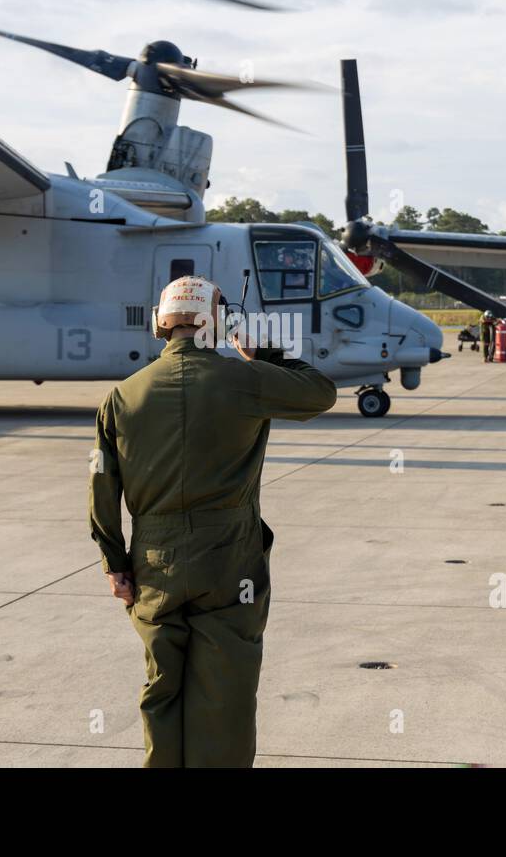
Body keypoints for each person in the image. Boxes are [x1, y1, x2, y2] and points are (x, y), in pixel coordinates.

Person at [89, 274, 337, 767]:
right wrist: (262, 353)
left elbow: (101, 486)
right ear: (217, 323)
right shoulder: (244, 380)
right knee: (226, 693)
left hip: (154, 565)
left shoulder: (121, 397)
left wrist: (114, 562)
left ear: (161, 323)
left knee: (162, 690)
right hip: (229, 561)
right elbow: (320, 392)